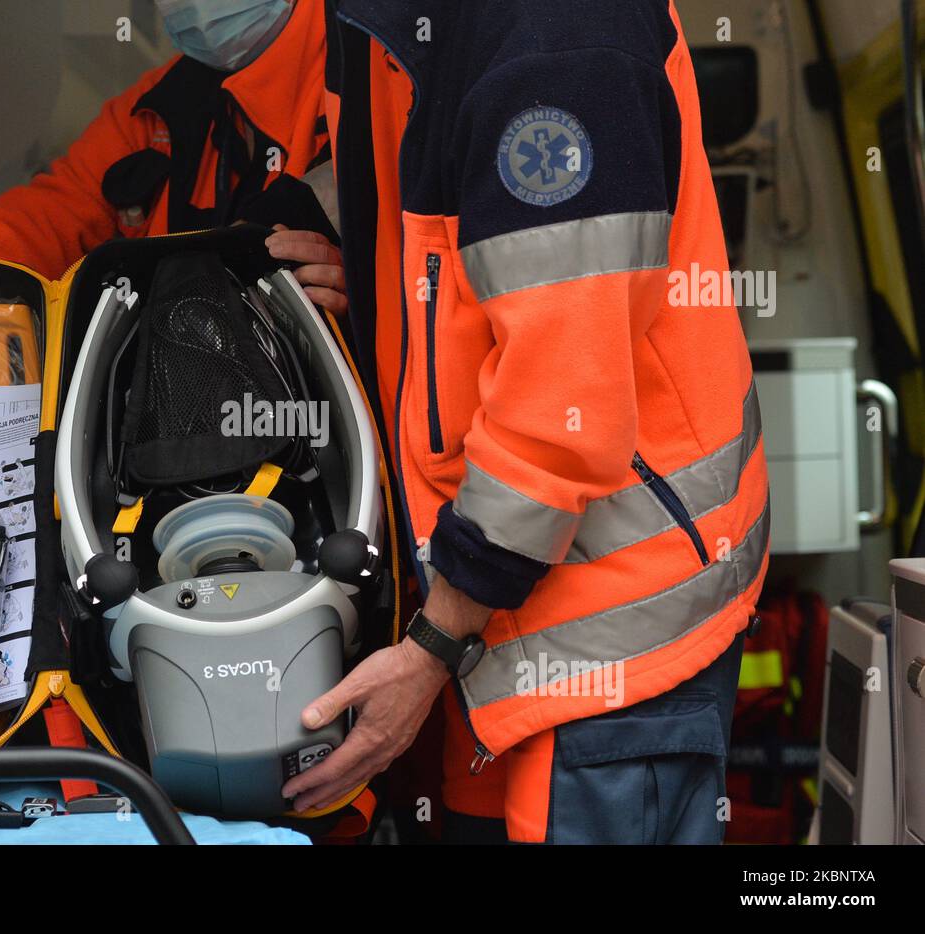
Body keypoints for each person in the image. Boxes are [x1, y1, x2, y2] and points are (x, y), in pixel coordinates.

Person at [283, 0, 770, 844]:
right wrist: (370, 262)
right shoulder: (382, 27)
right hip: (499, 616)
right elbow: (445, 201)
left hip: (602, 638)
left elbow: (562, 411)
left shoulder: (555, 34)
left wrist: (434, 643)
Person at [0, 0, 347, 316]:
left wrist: (369, 294)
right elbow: (48, 222)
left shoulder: (374, 75)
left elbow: (418, 251)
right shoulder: (155, 108)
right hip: (184, 425)